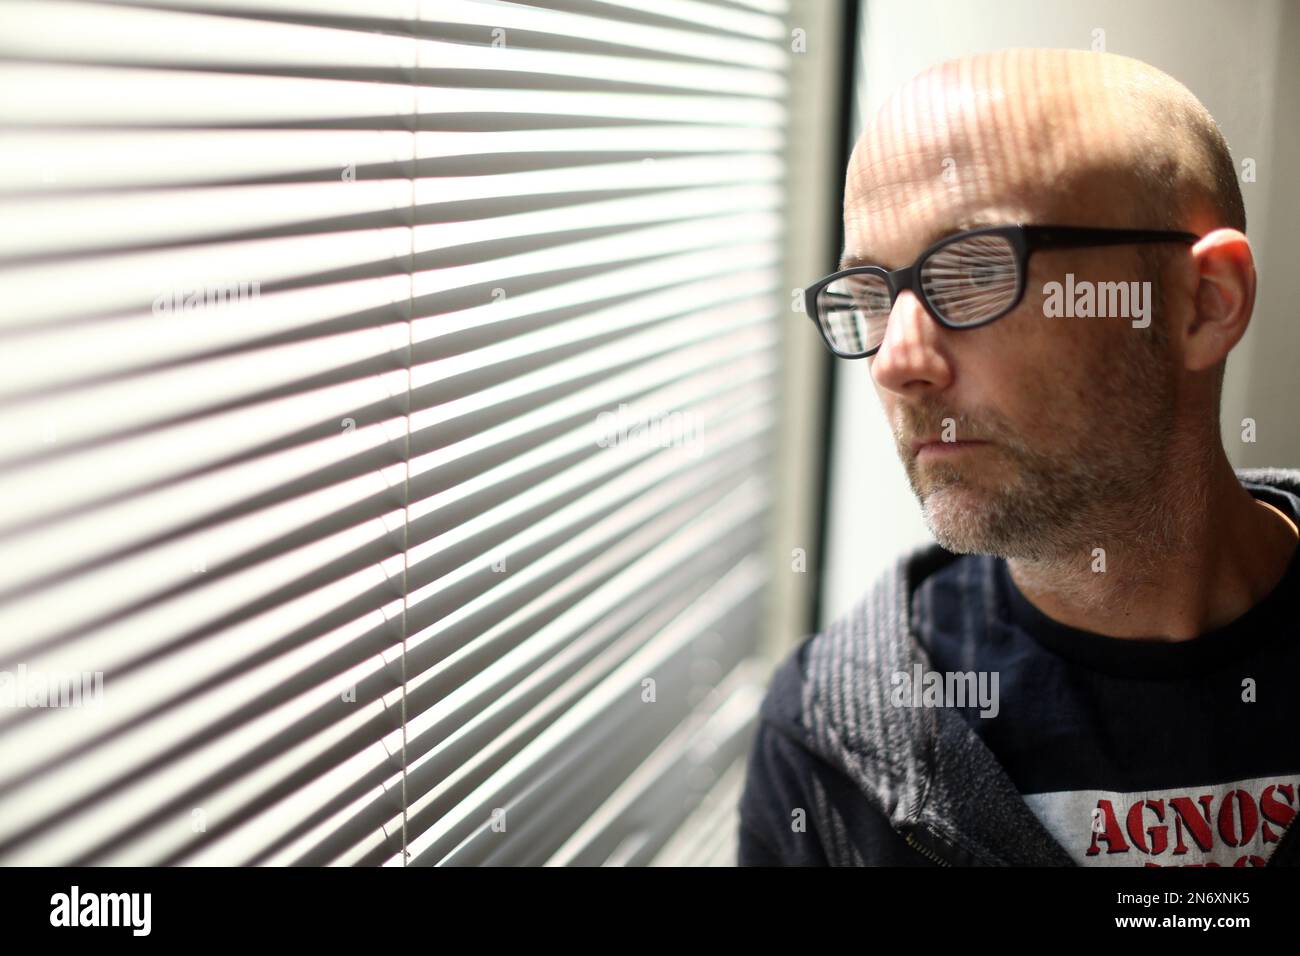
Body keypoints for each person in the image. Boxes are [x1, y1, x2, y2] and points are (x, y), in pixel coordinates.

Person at [738, 48, 1300, 866]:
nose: (895, 361)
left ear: (1203, 302)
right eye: (868, 294)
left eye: (972, 270)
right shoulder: (827, 747)